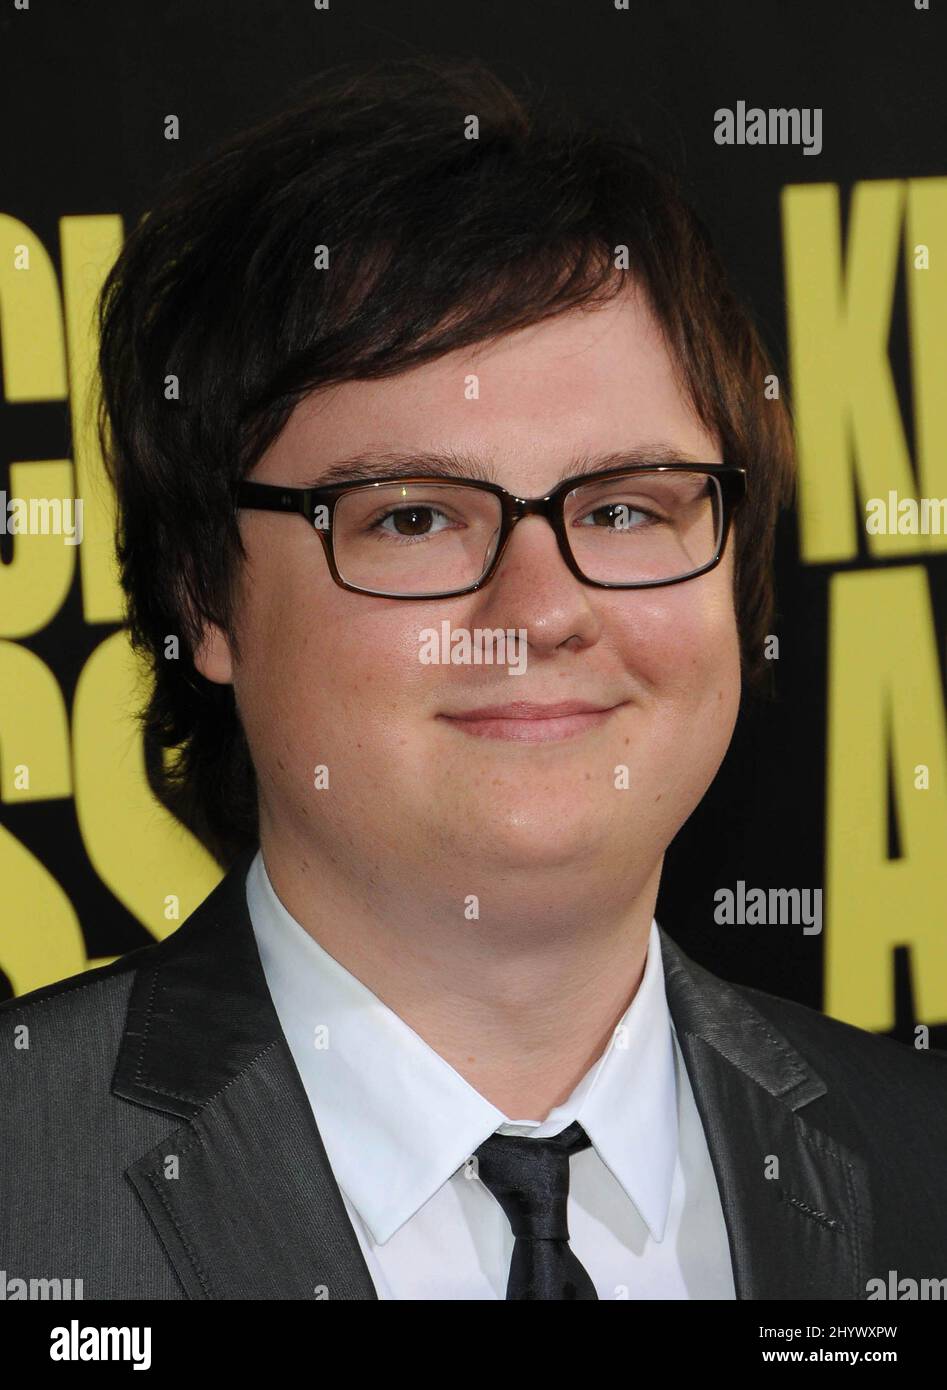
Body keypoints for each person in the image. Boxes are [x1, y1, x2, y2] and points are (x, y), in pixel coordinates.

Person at [1, 55, 944, 1302]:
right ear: (203, 596)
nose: (541, 610)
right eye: (411, 518)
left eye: (620, 508)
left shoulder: (916, 1162)